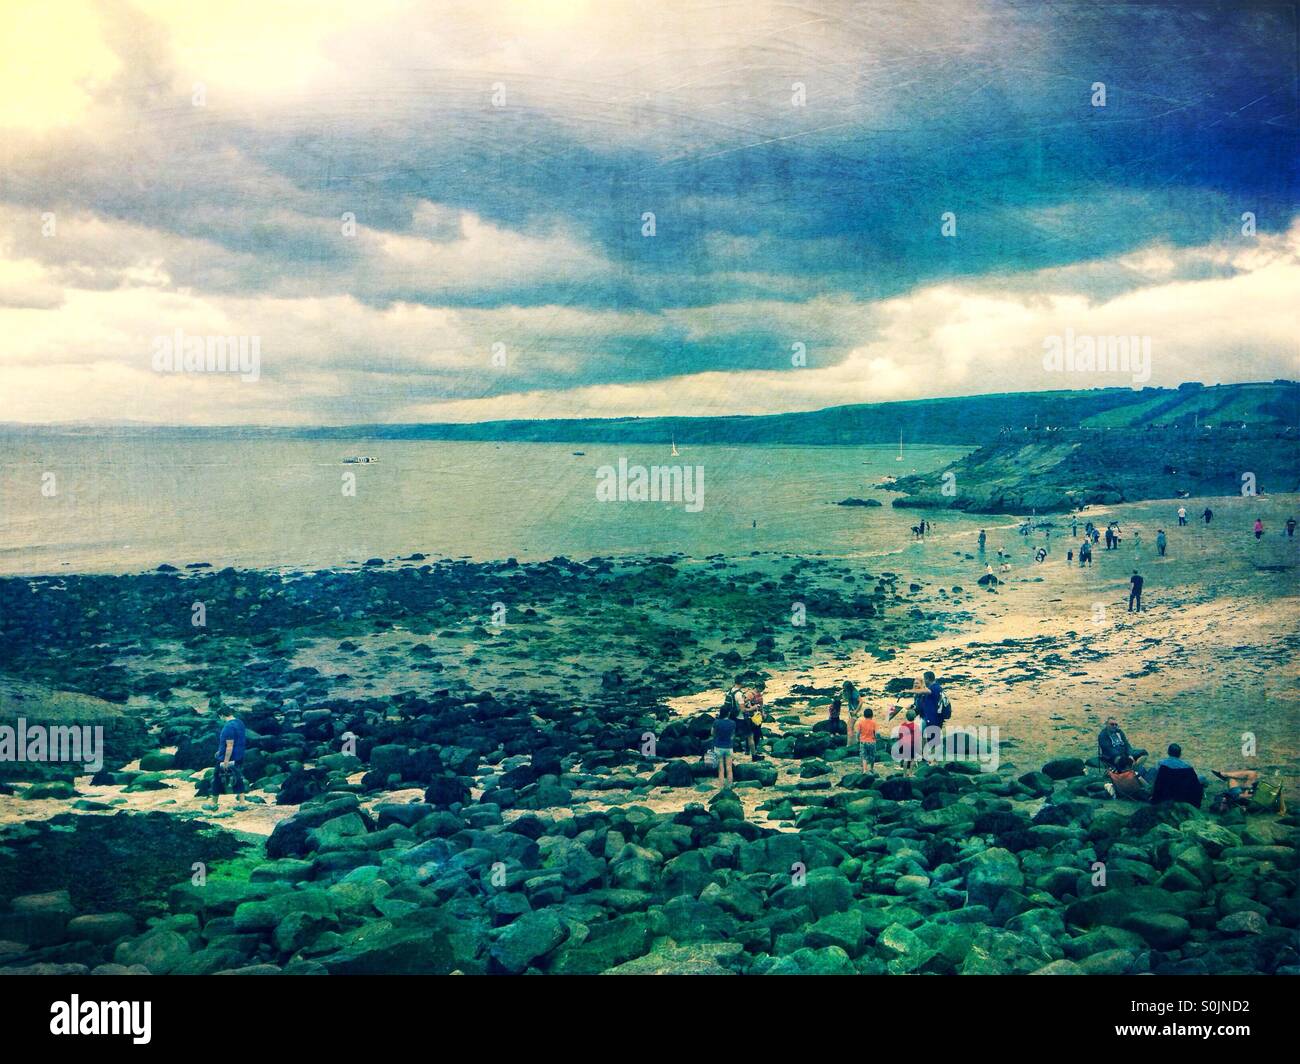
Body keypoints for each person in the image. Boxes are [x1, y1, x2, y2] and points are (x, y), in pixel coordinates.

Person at [207, 705, 247, 811]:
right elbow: (238, 740)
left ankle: (213, 803)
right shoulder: (239, 722)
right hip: (239, 756)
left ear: (221, 715)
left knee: (216, 778)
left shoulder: (228, 727)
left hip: (228, 758)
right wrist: (220, 751)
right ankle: (242, 803)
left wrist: (225, 760)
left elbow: (230, 745)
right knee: (237, 778)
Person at [713, 704, 736, 786]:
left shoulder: (716, 722)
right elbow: (733, 735)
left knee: (720, 768)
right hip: (728, 746)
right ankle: (730, 785)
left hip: (718, 746)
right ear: (728, 713)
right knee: (729, 768)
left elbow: (712, 733)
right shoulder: (733, 723)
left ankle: (721, 786)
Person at [892, 708, 920, 775]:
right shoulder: (916, 726)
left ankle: (904, 774)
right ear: (915, 717)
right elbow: (917, 737)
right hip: (912, 745)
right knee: (912, 759)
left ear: (906, 716)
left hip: (904, 744)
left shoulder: (903, 725)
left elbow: (900, 735)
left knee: (905, 759)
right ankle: (910, 773)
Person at [744, 683, 766, 761]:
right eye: (761, 689)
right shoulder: (750, 694)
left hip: (757, 716)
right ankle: (747, 750)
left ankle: (754, 749)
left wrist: (763, 713)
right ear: (757, 687)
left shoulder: (760, 695)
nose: (761, 691)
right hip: (750, 716)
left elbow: (761, 705)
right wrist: (751, 707)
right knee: (750, 734)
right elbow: (744, 702)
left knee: (757, 733)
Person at [855, 707, 877, 773]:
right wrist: (876, 738)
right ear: (872, 715)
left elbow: (858, 733)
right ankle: (872, 768)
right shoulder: (874, 723)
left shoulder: (860, 723)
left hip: (863, 742)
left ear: (864, 715)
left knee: (864, 756)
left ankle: (865, 770)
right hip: (872, 742)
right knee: (872, 756)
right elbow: (876, 733)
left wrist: (857, 739)